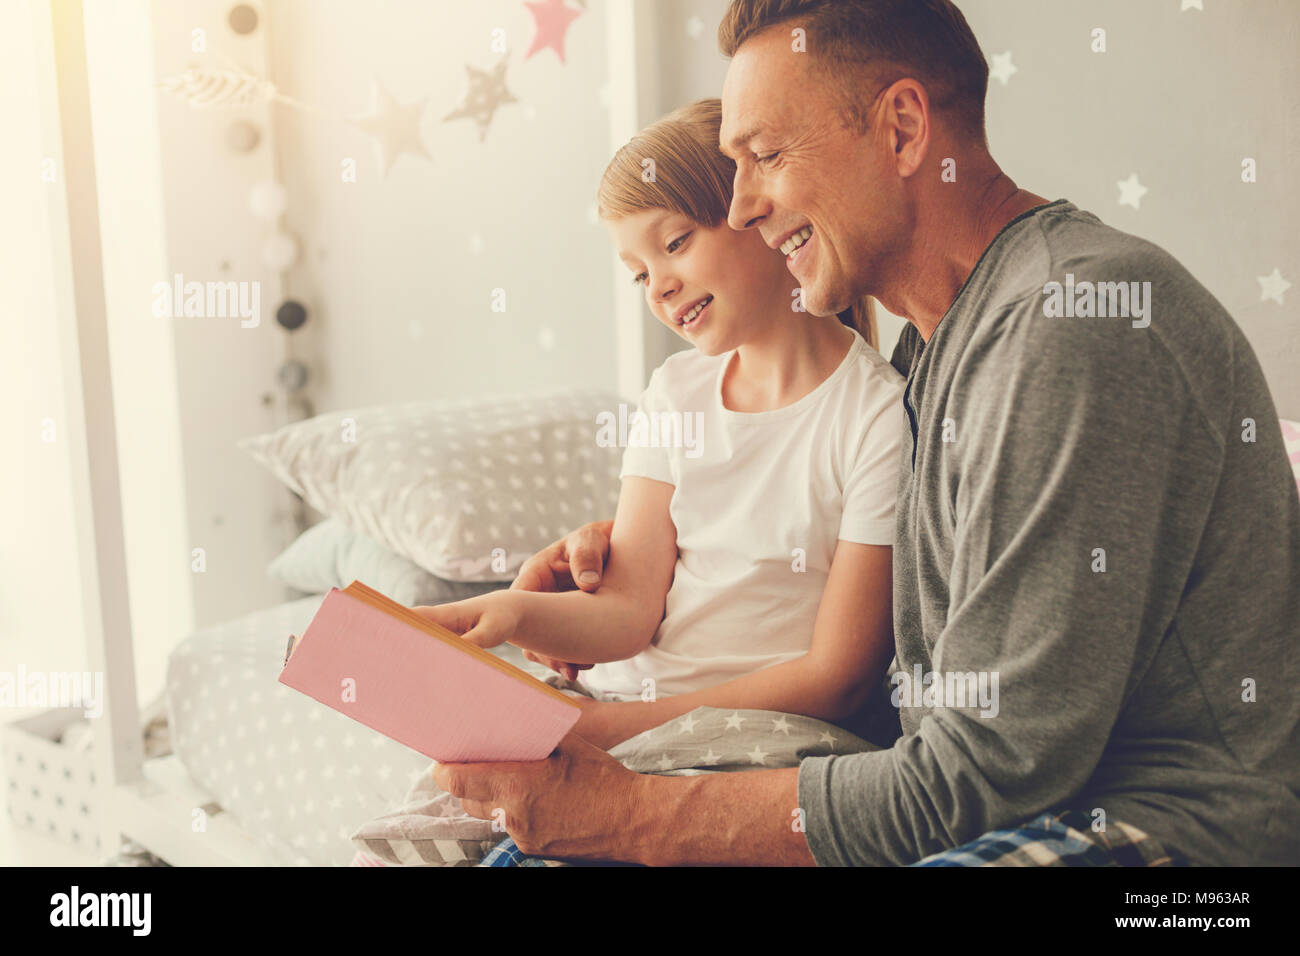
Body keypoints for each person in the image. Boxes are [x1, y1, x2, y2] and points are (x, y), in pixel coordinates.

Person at [435, 0, 1300, 867]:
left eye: (765, 156)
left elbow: (981, 774)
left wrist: (635, 815)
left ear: (902, 128)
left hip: (1175, 836)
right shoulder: (933, 355)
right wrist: (646, 570)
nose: (739, 209)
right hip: (999, 803)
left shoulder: (1069, 323)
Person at [414, 98, 906, 752]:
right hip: (621, 709)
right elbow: (624, 613)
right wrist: (508, 613)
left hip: (748, 741)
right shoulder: (676, 392)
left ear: (758, 213)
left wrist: (608, 731)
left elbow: (835, 679)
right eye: (640, 274)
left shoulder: (875, 417)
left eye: (675, 244)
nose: (659, 289)